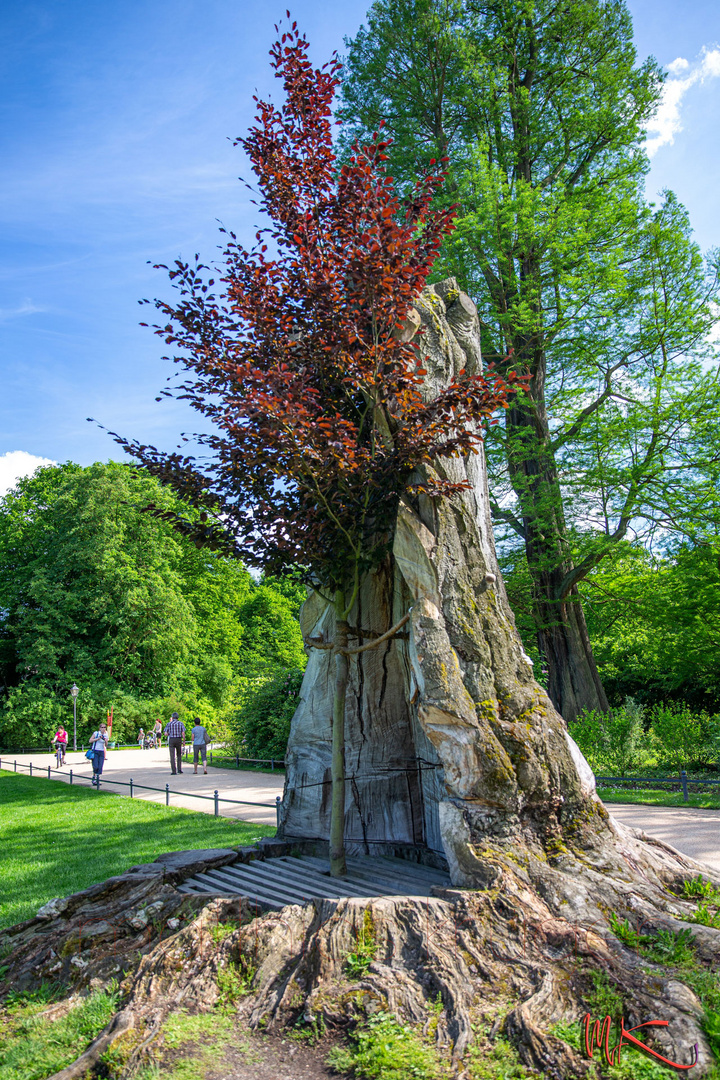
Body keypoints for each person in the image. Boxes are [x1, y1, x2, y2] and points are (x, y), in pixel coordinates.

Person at [89, 722, 109, 787]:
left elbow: (106, 745)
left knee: (100, 766)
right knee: (95, 766)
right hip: (95, 751)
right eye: (102, 727)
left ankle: (97, 779)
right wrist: (98, 738)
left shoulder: (106, 735)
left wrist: (105, 741)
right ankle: (94, 777)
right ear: (100, 728)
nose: (103, 728)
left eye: (104, 727)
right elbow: (90, 740)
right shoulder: (96, 733)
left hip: (101, 751)